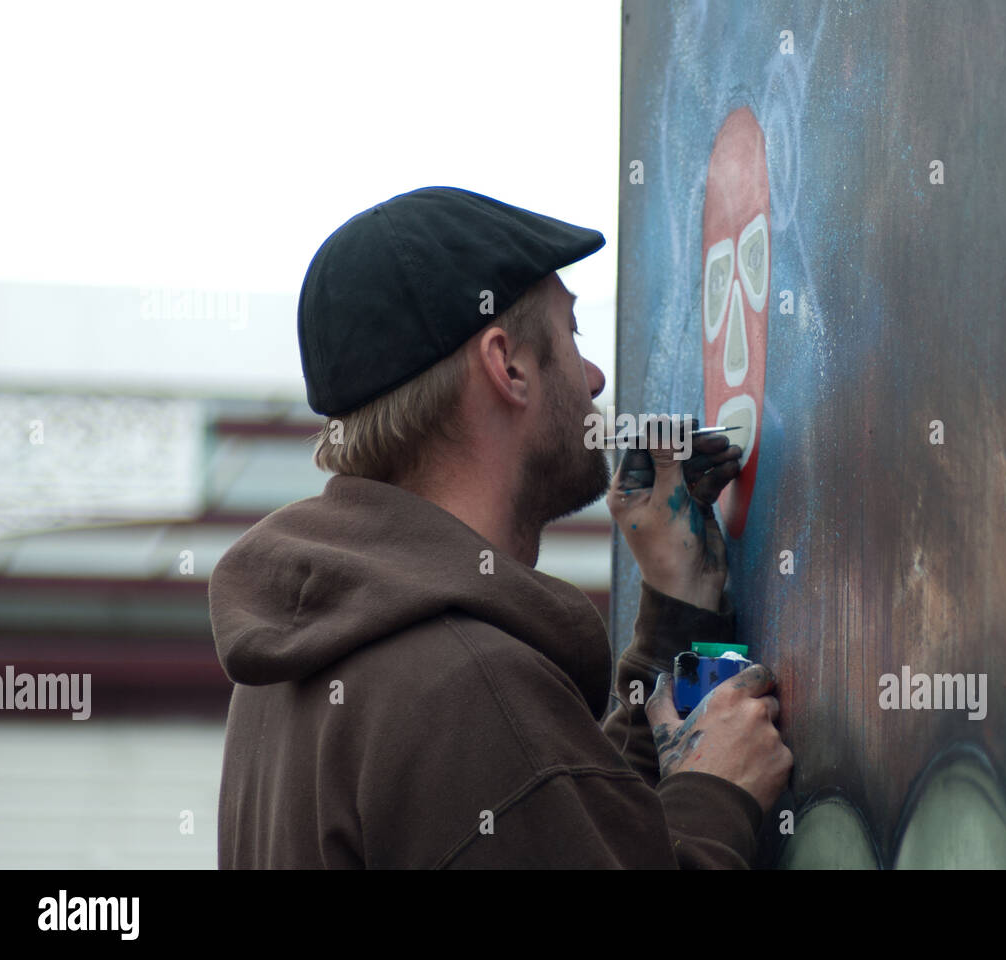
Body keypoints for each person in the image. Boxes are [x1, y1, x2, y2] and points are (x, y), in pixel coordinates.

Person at [210, 186, 792, 868]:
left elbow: (565, 832)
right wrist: (716, 796)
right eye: (571, 334)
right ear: (507, 365)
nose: (597, 376)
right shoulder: (467, 686)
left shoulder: (300, 671)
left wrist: (677, 612)